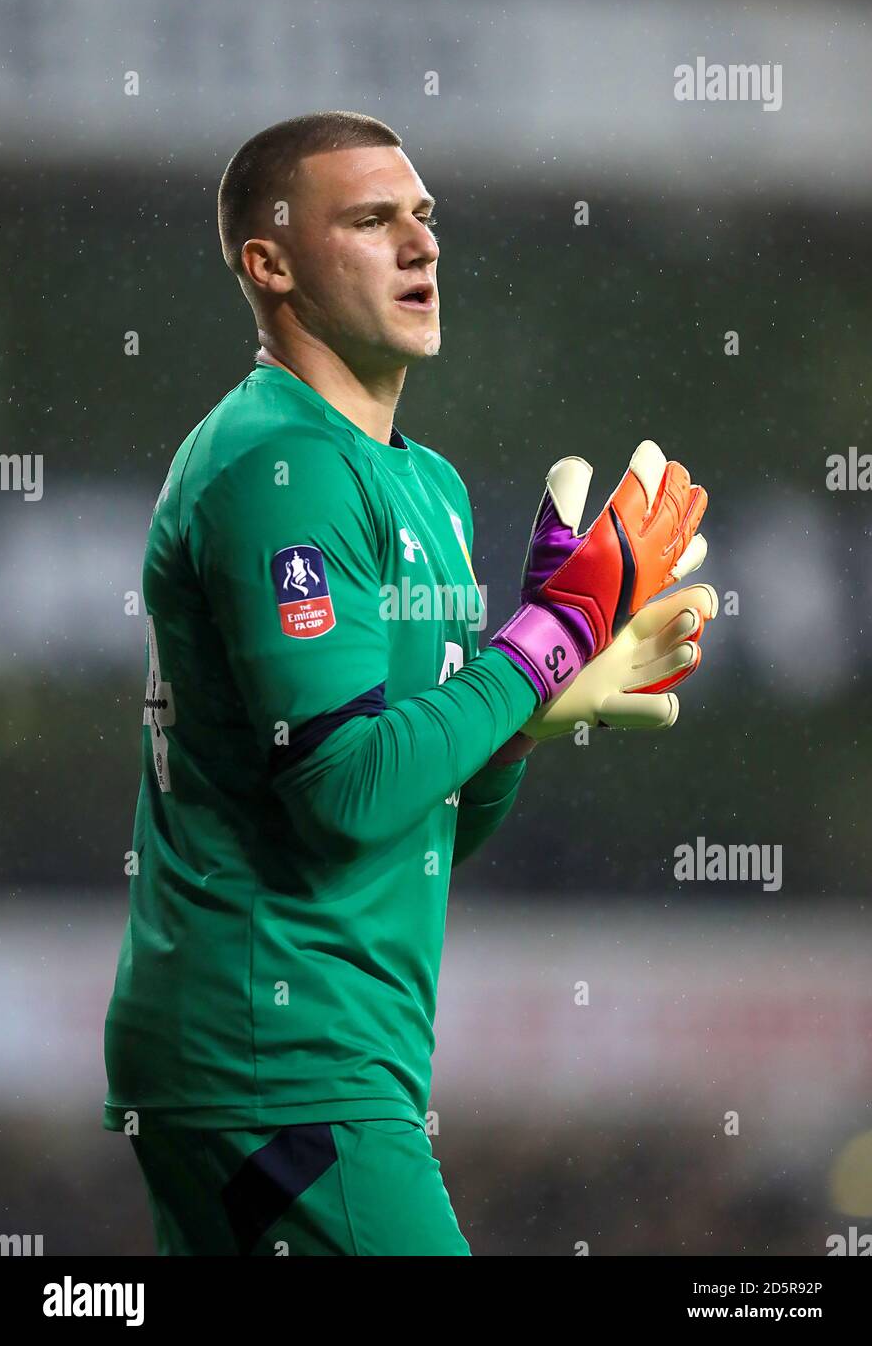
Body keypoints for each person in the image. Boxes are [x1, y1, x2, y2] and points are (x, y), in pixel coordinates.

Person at [103, 111, 710, 1256]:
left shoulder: (423, 484)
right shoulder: (274, 468)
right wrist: (554, 634)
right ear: (270, 263)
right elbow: (339, 792)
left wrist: (528, 714)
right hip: (278, 1060)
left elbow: (427, 820)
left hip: (304, 1058)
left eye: (424, 216)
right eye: (372, 220)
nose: (421, 243)